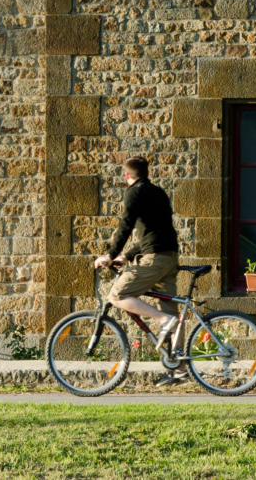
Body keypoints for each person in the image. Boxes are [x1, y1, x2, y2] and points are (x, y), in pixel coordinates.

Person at [92, 155, 183, 383]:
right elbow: (152, 232)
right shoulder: (158, 192)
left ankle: (162, 320)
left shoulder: (134, 192)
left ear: (127, 175)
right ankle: (179, 369)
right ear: (147, 172)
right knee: (172, 311)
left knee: (117, 294)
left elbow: (126, 225)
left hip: (155, 259)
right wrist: (128, 256)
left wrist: (110, 255)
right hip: (169, 257)